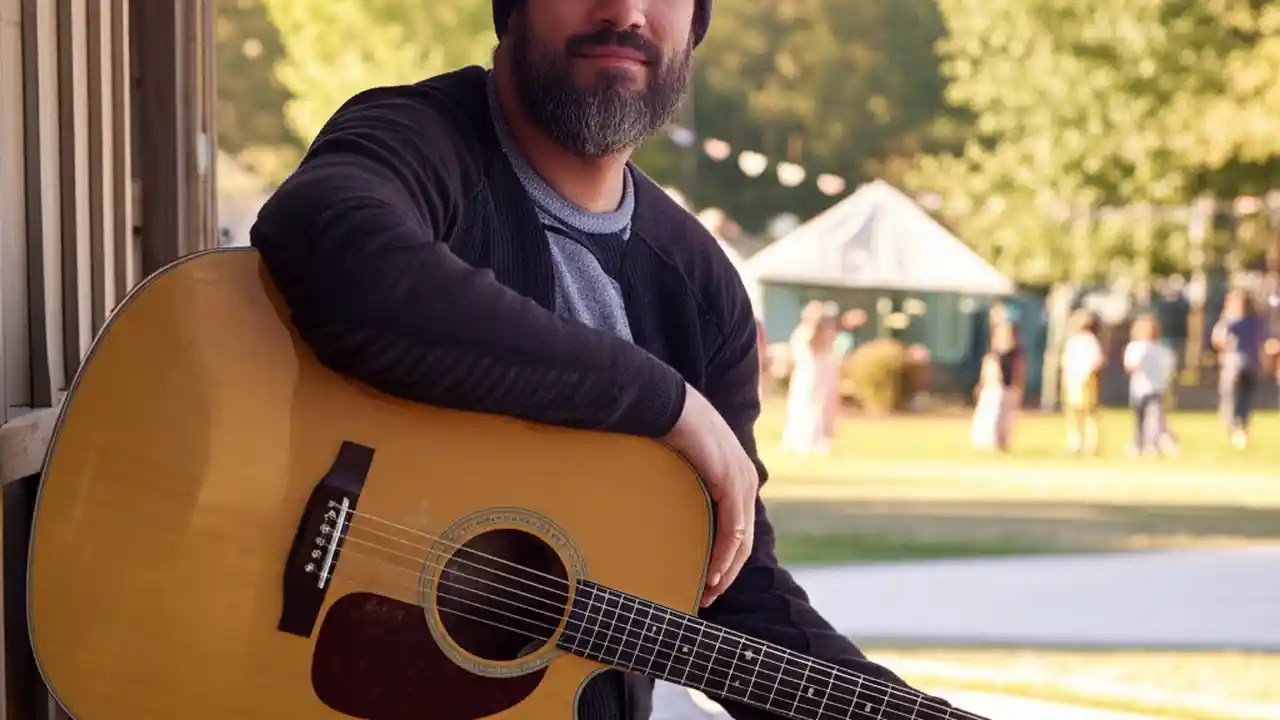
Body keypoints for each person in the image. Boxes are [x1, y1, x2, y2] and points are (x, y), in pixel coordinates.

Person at [247, 1, 968, 718]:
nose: (625, 12)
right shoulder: (419, 138)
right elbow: (336, 251)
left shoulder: (699, 284)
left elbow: (730, 590)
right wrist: (666, 401)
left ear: (695, 26)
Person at [781, 307, 840, 455]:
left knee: (811, 406)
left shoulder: (809, 333)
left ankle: (809, 441)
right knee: (810, 406)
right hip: (810, 372)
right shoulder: (807, 334)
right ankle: (807, 441)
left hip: (811, 372)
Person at [1212, 290, 1265, 449]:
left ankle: (1233, 428)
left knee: (1230, 398)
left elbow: (1218, 339)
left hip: (1234, 365)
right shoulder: (1256, 322)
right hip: (1252, 365)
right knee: (1245, 400)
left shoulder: (1232, 322)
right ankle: (1243, 428)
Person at [1123, 314, 1178, 457]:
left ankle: (1151, 445)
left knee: (1153, 419)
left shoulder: (1161, 350)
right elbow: (1131, 366)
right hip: (1139, 390)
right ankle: (1137, 444)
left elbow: (1169, 368)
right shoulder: (1135, 348)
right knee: (1139, 419)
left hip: (1155, 389)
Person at [1060, 309, 1105, 456]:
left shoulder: (1090, 341)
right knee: (1073, 414)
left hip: (1085, 380)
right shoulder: (1073, 341)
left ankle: (1092, 444)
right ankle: (1075, 442)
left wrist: (1087, 375)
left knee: (1089, 413)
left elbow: (1096, 361)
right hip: (1072, 380)